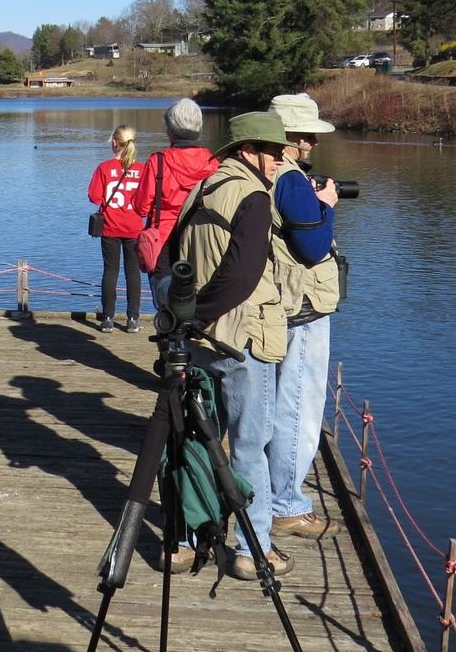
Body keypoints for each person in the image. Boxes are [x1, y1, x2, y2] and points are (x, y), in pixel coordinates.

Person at [169, 111, 294, 580]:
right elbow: (242, 276)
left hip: (197, 341)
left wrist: (188, 316)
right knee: (249, 445)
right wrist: (206, 313)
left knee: (197, 441)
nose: (281, 160)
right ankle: (252, 548)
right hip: (242, 340)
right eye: (274, 151)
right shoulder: (255, 195)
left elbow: (169, 256)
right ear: (248, 152)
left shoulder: (201, 189)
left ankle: (186, 542)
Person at [266, 93, 343, 540]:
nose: (313, 142)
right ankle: (287, 505)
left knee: (279, 400)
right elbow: (313, 248)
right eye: (306, 134)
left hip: (279, 304)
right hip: (304, 308)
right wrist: (327, 204)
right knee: (299, 404)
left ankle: (273, 495)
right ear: (289, 138)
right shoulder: (292, 180)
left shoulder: (265, 171)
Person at [132, 99, 219, 293]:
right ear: (198, 128)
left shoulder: (158, 161)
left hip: (162, 241)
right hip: (200, 238)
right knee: (198, 298)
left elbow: (141, 207)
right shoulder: (213, 162)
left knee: (166, 302)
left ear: (170, 130)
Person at [87, 125, 145, 332]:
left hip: (110, 227)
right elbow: (147, 203)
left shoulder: (104, 168)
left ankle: (108, 318)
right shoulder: (141, 169)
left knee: (110, 272)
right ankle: (132, 320)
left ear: (114, 143)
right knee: (133, 274)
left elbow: (94, 196)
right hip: (134, 228)